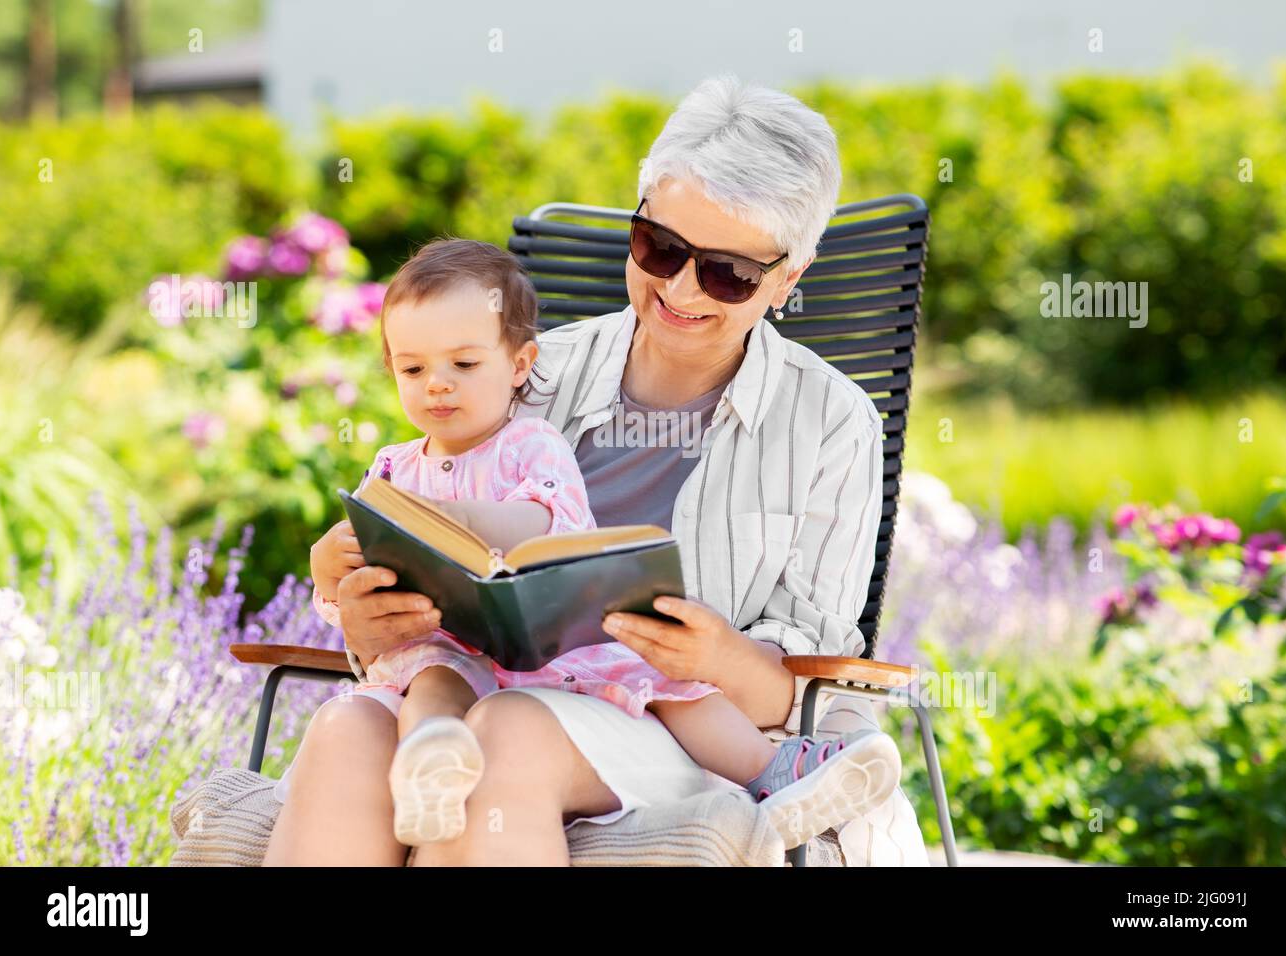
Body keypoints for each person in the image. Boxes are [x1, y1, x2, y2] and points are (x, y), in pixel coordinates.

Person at [265, 74, 927, 867]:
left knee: (504, 740)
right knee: (346, 730)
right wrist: (362, 608)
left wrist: (711, 655)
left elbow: (814, 692)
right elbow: (435, 545)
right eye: (662, 248)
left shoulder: (830, 425)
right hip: (490, 687)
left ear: (788, 278)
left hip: (697, 731)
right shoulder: (524, 372)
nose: (681, 288)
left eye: (728, 273)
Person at [309, 236, 901, 851]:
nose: (437, 386)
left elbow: (544, 519)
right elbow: (363, 576)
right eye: (412, 370)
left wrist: (442, 517)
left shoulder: (529, 441)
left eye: (462, 365)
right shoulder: (392, 469)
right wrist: (332, 574)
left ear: (518, 366)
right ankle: (426, 772)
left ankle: (776, 774)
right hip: (453, 654)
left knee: (666, 677)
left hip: (561, 661)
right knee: (417, 689)